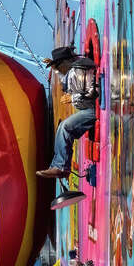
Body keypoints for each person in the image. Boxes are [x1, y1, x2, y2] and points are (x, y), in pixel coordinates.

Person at [36, 47, 99, 207]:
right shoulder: (73, 70)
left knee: (65, 127)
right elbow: (67, 79)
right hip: (88, 109)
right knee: (62, 128)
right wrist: (56, 68)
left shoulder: (79, 69)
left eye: (58, 65)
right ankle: (58, 166)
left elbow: (93, 90)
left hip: (92, 110)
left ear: (64, 62)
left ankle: (60, 166)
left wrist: (73, 97)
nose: (57, 69)